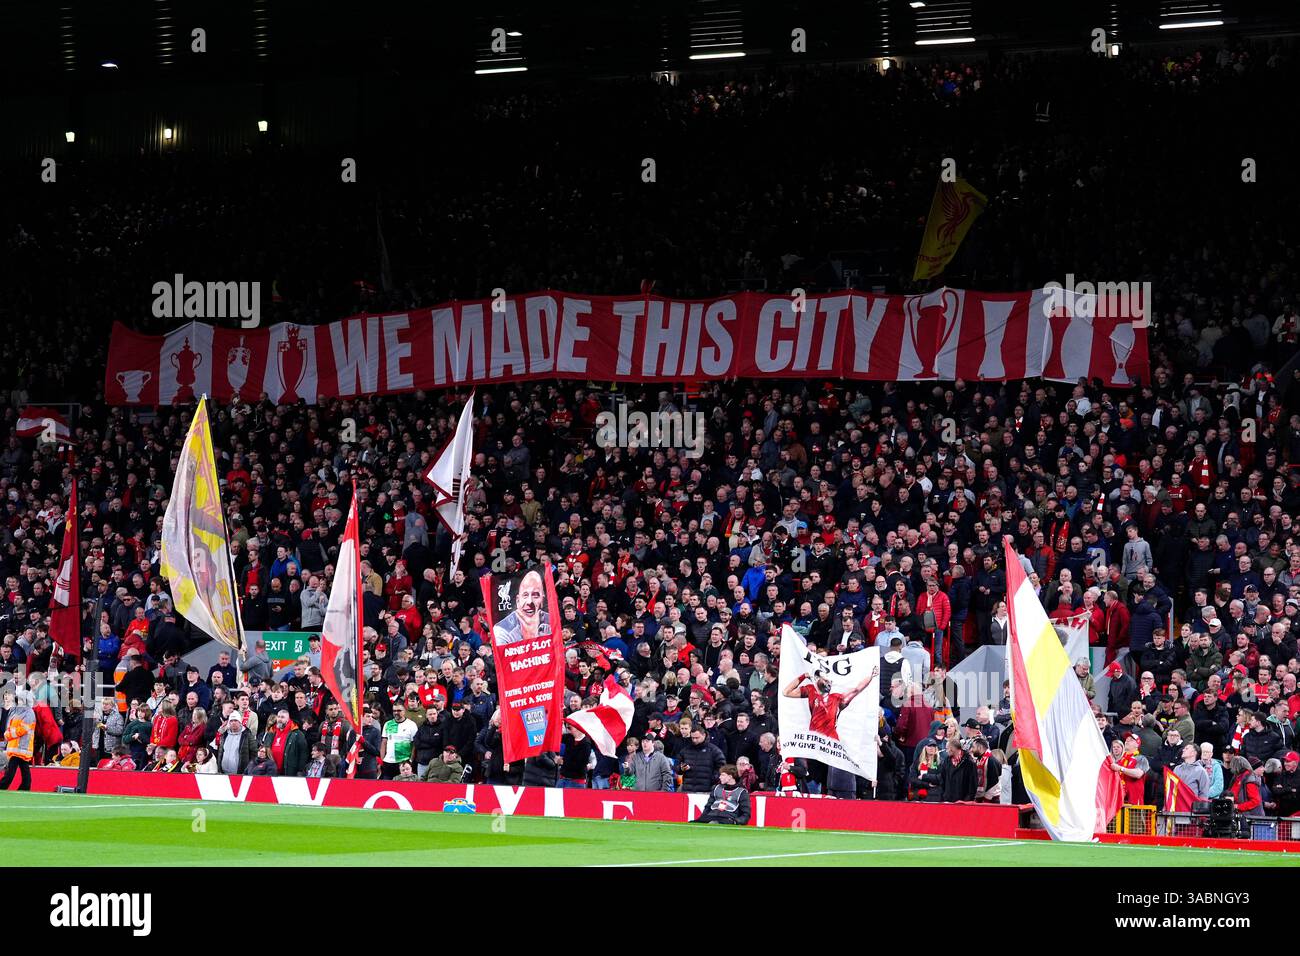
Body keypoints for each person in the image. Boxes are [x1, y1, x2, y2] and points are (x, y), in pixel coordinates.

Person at [781, 664, 878, 742]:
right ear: (817, 679)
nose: (829, 683)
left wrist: (871, 676)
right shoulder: (810, 690)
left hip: (830, 742)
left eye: (830, 681)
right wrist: (804, 676)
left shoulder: (837, 698)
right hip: (814, 740)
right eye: (826, 680)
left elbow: (857, 689)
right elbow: (786, 692)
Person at [492, 571, 550, 647]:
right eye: (525, 595)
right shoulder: (502, 630)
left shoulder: (552, 622)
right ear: (518, 600)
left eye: (535, 595)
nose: (529, 601)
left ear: (542, 600)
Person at [261, 709, 308, 777]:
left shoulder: (297, 733)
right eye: (279, 717)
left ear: (288, 719)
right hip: (271, 769)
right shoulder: (271, 731)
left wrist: (300, 770)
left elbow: (303, 752)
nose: (280, 719)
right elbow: (265, 747)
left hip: (288, 770)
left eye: (282, 717)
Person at [379, 701, 418, 779]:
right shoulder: (388, 724)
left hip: (404, 762)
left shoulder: (411, 725)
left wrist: (411, 760)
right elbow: (384, 743)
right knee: (387, 788)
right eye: (394, 711)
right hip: (388, 762)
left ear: (405, 711)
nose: (396, 712)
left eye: (399, 710)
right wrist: (382, 759)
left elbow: (414, 744)